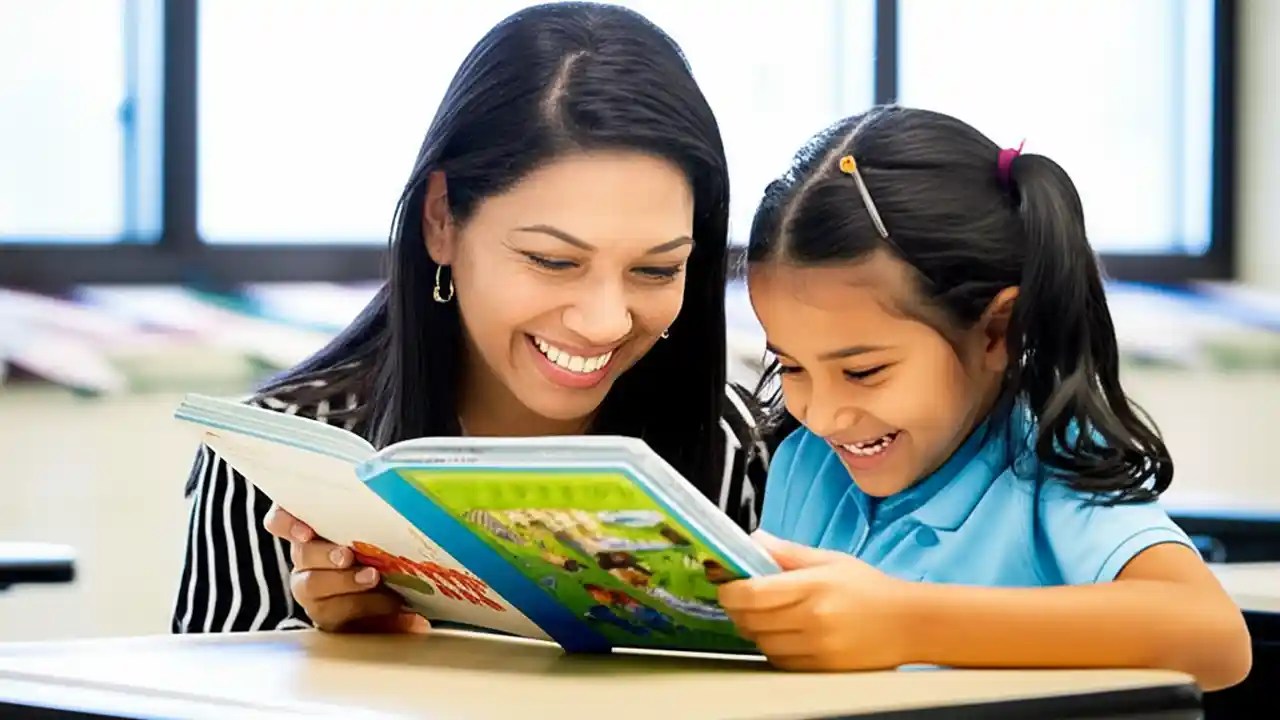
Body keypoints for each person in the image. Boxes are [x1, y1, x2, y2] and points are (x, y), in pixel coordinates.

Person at [171, 2, 770, 637]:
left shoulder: (747, 456)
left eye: (655, 271)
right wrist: (342, 661)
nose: (604, 323)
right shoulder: (277, 462)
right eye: (552, 260)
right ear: (441, 219)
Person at [716, 105, 1251, 690]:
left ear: (998, 331)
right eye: (790, 366)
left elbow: (1213, 637)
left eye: (864, 371)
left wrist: (904, 623)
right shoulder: (806, 466)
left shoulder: (1048, 460)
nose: (820, 415)